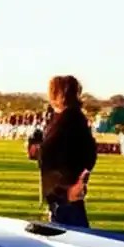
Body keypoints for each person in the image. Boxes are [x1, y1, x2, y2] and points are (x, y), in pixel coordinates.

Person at [38, 75, 97, 227]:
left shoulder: (71, 119)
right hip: (58, 190)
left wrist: (79, 183)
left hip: (66, 190)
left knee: (75, 237)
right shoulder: (59, 118)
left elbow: (89, 154)